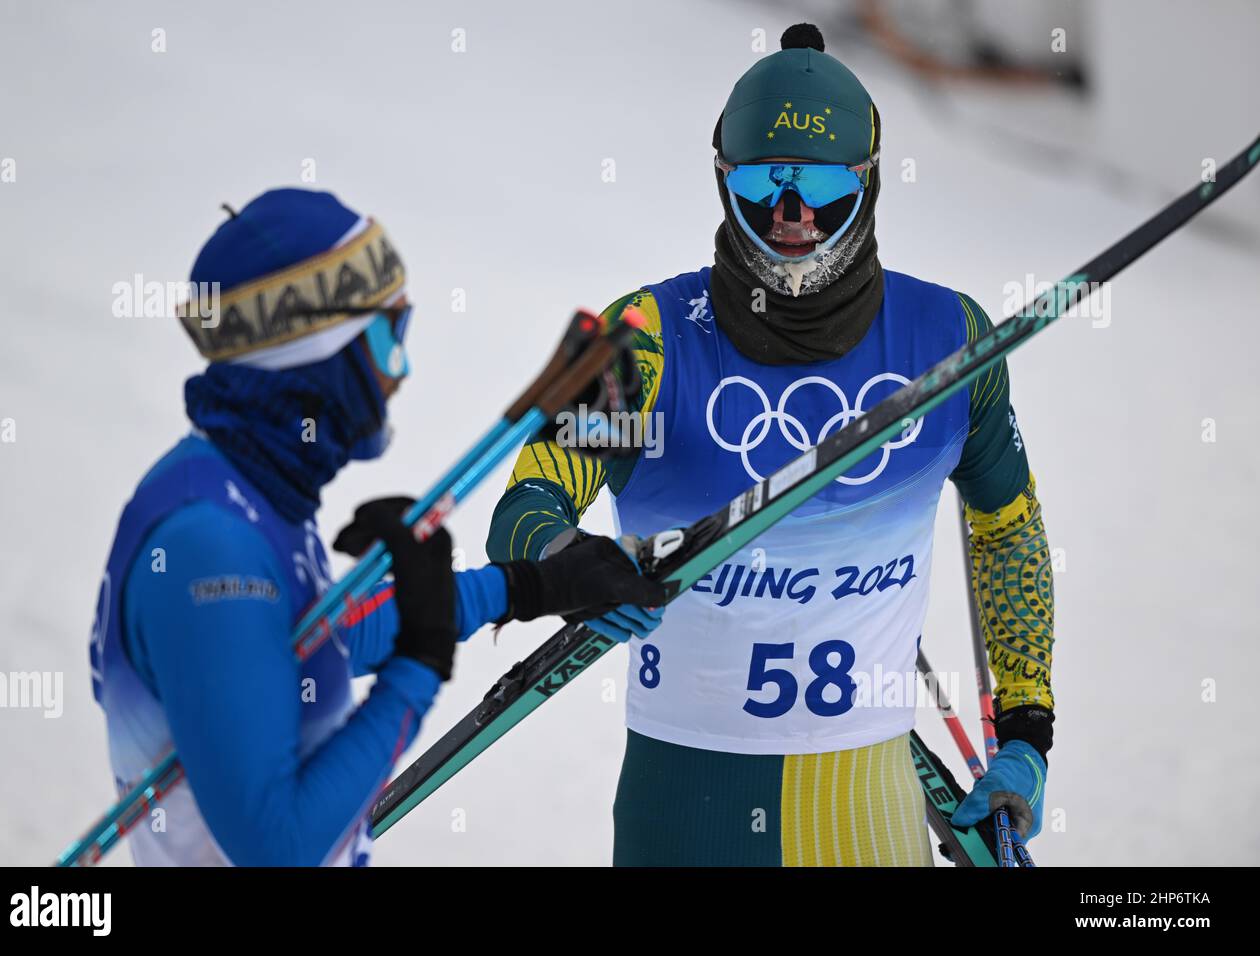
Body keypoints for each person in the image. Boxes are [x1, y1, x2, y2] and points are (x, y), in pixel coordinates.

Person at [486, 24, 1055, 866]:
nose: (793, 215)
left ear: (867, 180)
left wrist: (1027, 730)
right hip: (683, 804)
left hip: (865, 808)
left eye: (822, 185)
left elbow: (1005, 525)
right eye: (766, 183)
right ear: (723, 181)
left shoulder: (951, 340)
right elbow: (527, 503)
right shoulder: (645, 343)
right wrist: (565, 555)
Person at [89, 188, 665, 866]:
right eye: (391, 338)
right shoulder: (210, 548)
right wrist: (417, 670)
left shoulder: (240, 484)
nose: (403, 371)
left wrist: (527, 587)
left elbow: (302, 650)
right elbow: (280, 847)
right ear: (315, 351)